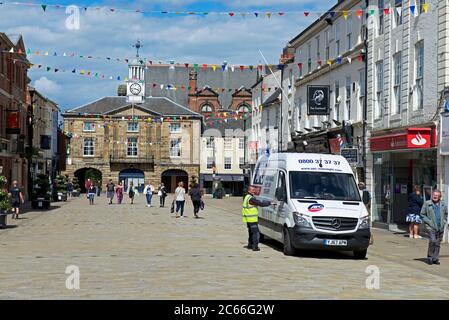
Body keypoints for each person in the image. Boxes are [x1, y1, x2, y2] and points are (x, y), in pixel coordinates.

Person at [420, 190, 448, 265]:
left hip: (440, 227)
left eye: (436, 195)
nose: (435, 196)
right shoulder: (427, 203)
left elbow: (446, 214)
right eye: (433, 195)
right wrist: (429, 222)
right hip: (431, 227)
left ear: (440, 197)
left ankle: (435, 258)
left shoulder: (443, 205)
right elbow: (422, 214)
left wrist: (444, 222)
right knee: (432, 240)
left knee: (437, 243)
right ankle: (430, 257)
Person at [242, 186, 274, 251]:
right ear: (249, 190)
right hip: (252, 219)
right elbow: (260, 203)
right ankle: (255, 246)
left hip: (248, 218)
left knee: (251, 232)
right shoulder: (251, 198)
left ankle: (250, 245)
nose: (254, 191)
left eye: (254, 190)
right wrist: (269, 203)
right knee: (256, 233)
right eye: (252, 190)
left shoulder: (246, 197)